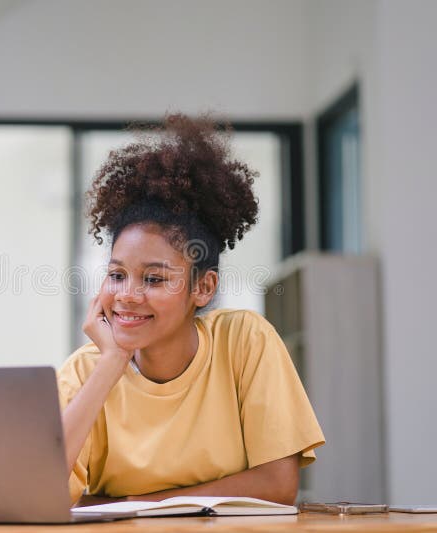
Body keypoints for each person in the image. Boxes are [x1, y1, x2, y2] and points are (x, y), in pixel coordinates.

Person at [58, 114, 324, 506]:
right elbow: (39, 494)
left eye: (153, 279)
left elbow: (277, 485)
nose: (128, 295)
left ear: (203, 287)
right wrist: (112, 362)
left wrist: (134, 505)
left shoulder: (245, 342)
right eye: (117, 275)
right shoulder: (85, 371)